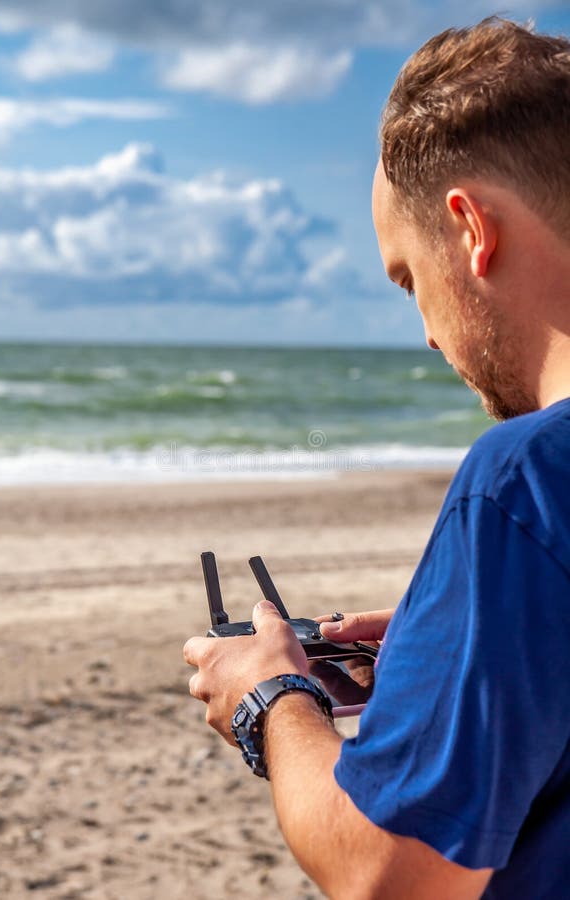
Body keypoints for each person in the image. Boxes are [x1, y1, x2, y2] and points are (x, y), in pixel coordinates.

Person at [183, 17, 570, 899]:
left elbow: (389, 872)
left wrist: (270, 699)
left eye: (408, 280)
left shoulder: (523, 482)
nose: (429, 335)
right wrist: (480, 645)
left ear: (471, 229)